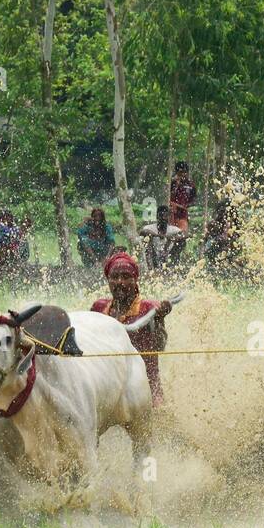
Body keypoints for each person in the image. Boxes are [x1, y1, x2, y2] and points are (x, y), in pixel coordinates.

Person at [90, 250, 173, 405]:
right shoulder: (99, 308)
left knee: (159, 414)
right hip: (109, 385)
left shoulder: (149, 308)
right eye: (114, 277)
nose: (120, 281)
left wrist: (160, 320)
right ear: (108, 279)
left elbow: (160, 347)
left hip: (146, 384)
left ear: (135, 280)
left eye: (126, 277)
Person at [139, 205, 188, 270]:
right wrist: (158, 235)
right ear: (157, 217)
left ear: (169, 217)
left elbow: (185, 234)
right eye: (161, 216)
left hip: (168, 254)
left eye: (166, 216)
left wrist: (172, 238)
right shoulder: (150, 227)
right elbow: (142, 232)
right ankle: (151, 268)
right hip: (153, 254)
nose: (163, 218)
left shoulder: (172, 229)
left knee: (182, 241)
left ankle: (172, 267)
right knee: (147, 238)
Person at [202, 197, 240, 273]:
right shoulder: (215, 223)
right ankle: (215, 265)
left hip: (228, 247)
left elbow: (237, 236)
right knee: (213, 244)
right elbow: (205, 240)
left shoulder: (235, 223)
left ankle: (228, 264)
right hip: (216, 246)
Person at [169, 161, 196, 233]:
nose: (183, 174)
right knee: (171, 233)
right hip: (172, 214)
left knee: (182, 234)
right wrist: (176, 185)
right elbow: (168, 197)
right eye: (180, 172)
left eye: (185, 172)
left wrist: (185, 206)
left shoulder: (190, 184)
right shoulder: (172, 183)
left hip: (183, 214)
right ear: (177, 172)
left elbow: (193, 200)